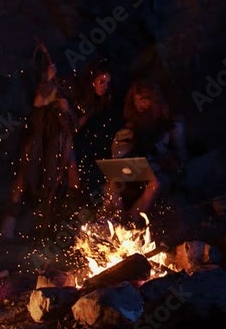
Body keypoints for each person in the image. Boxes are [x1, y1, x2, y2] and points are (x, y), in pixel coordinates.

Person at [0, 38, 81, 240]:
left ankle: (72, 221)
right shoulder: (42, 82)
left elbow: (74, 121)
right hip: (38, 135)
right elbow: (38, 102)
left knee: (69, 170)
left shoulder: (69, 87)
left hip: (58, 138)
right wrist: (47, 83)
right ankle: (8, 224)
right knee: (24, 173)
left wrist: (66, 109)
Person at [104, 80, 186, 224]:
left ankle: (130, 221)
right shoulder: (132, 123)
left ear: (153, 100)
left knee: (155, 184)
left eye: (143, 100)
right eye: (135, 100)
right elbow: (123, 153)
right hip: (138, 169)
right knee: (112, 182)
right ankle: (114, 222)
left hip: (160, 171)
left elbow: (181, 157)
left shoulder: (170, 124)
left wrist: (167, 162)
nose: (138, 104)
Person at [72, 61, 118, 199]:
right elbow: (75, 127)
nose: (105, 86)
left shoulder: (108, 103)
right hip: (84, 151)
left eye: (107, 83)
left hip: (102, 152)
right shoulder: (83, 101)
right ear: (93, 81)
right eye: (101, 81)